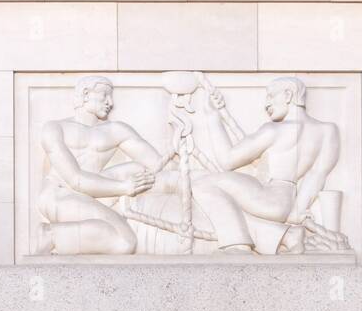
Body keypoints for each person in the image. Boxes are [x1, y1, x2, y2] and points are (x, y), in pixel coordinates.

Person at [194, 76, 341, 253]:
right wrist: (296, 210)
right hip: (285, 200)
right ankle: (286, 236)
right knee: (204, 181)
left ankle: (238, 244)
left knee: (202, 184)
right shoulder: (328, 131)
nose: (266, 104)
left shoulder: (273, 130)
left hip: (266, 195)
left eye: (271, 96)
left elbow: (227, 160)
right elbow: (317, 175)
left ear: (288, 95)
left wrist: (212, 118)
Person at [37, 76, 163, 255]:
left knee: (137, 169)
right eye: (104, 95)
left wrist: (182, 146)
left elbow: (159, 164)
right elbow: (75, 179)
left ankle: (67, 235)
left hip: (91, 194)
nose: (110, 102)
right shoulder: (55, 128)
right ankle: (51, 235)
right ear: (86, 94)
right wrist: (124, 187)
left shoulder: (116, 130)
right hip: (59, 194)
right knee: (125, 242)